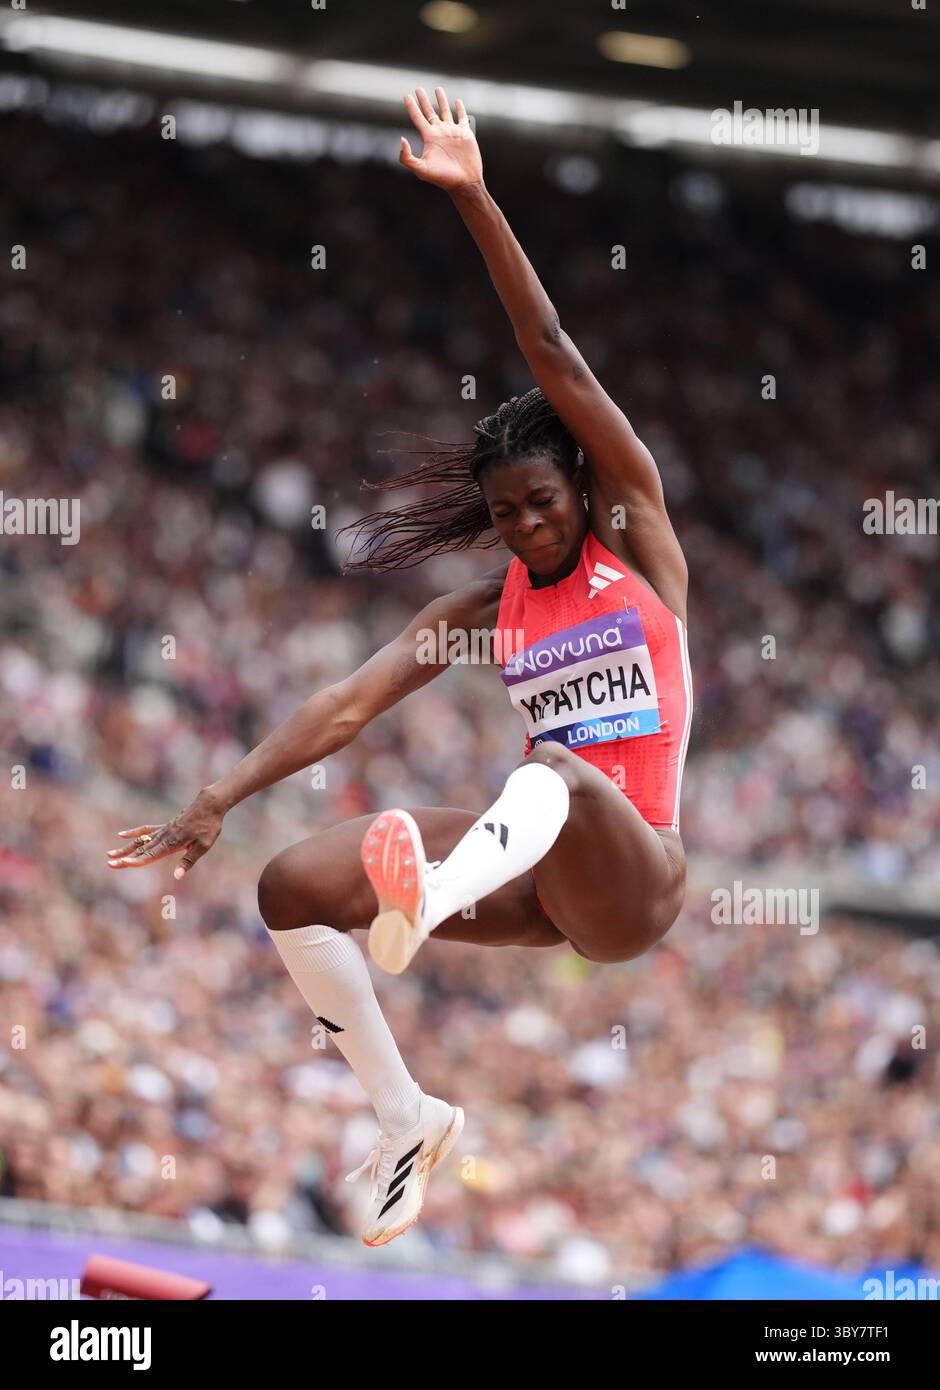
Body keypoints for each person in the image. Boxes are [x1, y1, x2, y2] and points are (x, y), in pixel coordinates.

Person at [107, 87, 693, 1248]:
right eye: (506, 515)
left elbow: (555, 355)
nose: (524, 527)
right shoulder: (488, 606)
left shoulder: (641, 547)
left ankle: (427, 897)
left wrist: (475, 197)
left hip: (636, 881)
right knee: (294, 888)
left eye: (540, 504)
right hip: (532, 884)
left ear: (583, 488)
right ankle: (407, 1114)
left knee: (564, 771)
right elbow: (346, 705)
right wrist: (216, 797)